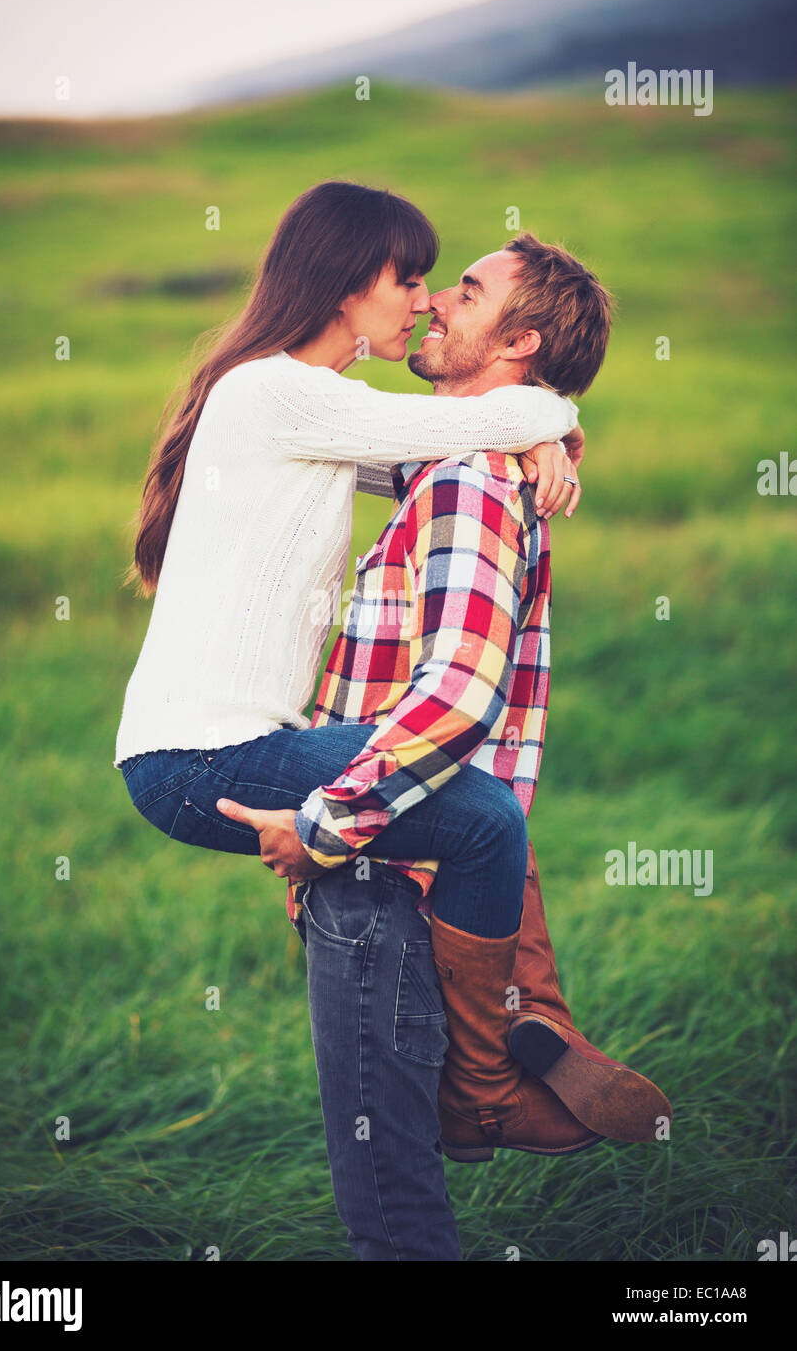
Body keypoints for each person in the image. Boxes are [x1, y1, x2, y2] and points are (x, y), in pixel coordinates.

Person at [220, 234, 673, 1260]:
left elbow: (458, 696)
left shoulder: (466, 479)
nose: (430, 307)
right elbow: (351, 445)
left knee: (386, 1198)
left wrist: (322, 828)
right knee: (394, 1171)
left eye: (461, 293)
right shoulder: (463, 459)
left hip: (382, 860)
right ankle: (503, 1052)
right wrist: (551, 421)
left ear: (514, 339)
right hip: (422, 839)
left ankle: (487, 1085)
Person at [117, 183, 582, 947]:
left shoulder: (313, 408)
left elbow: (439, 460)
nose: (424, 299)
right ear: (344, 284)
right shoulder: (277, 393)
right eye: (406, 280)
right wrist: (553, 426)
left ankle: (467, 1027)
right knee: (489, 821)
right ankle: (486, 1056)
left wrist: (531, 438)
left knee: (477, 816)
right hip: (199, 756)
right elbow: (483, 420)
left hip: (212, 749)